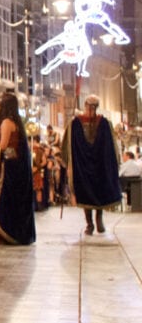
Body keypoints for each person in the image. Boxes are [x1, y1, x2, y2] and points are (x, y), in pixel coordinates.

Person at [0, 93, 35, 245]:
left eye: (0, 104)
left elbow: (2, 145)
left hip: (8, 168)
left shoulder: (6, 122)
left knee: (2, 200)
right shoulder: (13, 122)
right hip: (16, 167)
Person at [63, 95, 121, 235]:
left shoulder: (104, 123)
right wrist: (68, 163)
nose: (90, 109)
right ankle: (89, 223)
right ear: (85, 105)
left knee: (99, 192)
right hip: (82, 165)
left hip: (100, 165)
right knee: (85, 193)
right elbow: (67, 144)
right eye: (89, 106)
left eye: (93, 106)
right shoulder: (75, 123)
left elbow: (110, 146)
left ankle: (99, 218)